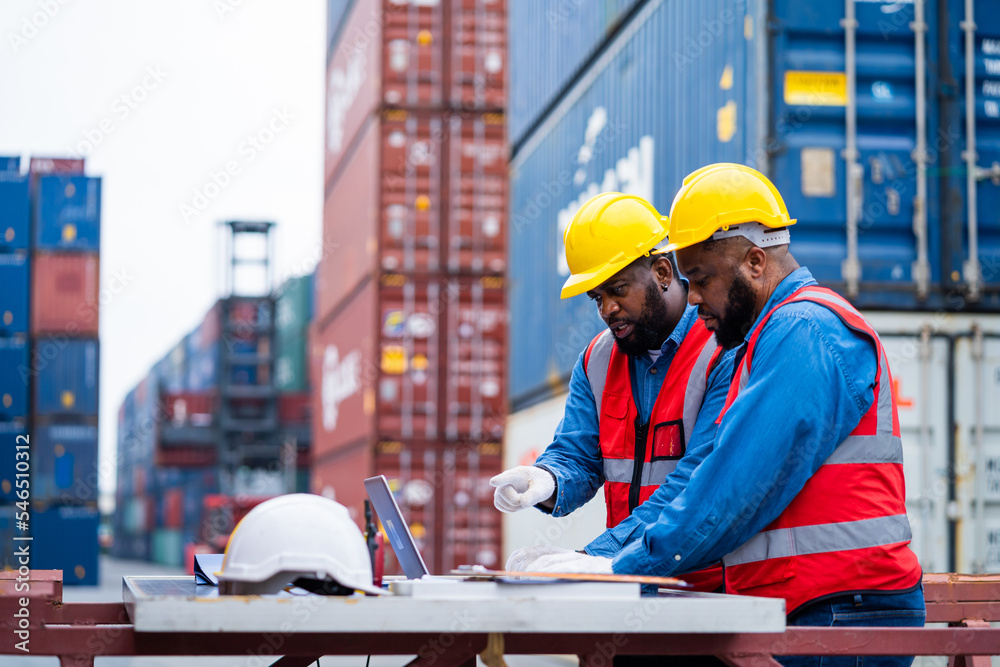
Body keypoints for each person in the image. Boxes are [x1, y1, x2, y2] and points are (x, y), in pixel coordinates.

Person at [523, 164, 925, 667]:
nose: (692, 298)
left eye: (703, 279)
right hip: (814, 609)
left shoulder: (805, 332)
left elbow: (731, 491)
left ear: (755, 262)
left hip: (839, 615)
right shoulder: (768, 338)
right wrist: (551, 484)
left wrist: (616, 564)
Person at [491, 191, 734, 592]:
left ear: (661, 271)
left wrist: (596, 558)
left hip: (704, 590)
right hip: (625, 587)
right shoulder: (597, 361)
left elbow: (695, 484)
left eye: (618, 290)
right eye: (597, 298)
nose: (607, 309)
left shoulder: (722, 350)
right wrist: (545, 479)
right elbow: (578, 454)